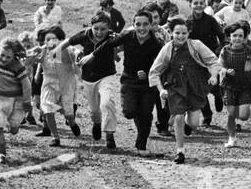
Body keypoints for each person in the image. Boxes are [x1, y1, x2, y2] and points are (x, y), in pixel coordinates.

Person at [148, 17, 222, 164]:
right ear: (171, 33)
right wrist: (161, 90)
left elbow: (213, 61)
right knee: (178, 116)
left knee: (194, 123)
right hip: (175, 85)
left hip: (195, 85)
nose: (180, 36)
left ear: (189, 33)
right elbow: (154, 71)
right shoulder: (167, 49)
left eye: (184, 33)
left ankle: (185, 124)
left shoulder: (196, 45)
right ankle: (180, 151)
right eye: (177, 33)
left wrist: (214, 75)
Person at [56, 11, 122, 149]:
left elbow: (124, 45)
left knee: (107, 102)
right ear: (91, 27)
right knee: (94, 111)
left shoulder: (112, 37)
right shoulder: (85, 35)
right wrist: (55, 53)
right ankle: (97, 123)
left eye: (103, 29)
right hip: (88, 78)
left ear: (109, 28)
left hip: (106, 75)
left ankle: (109, 134)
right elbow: (67, 42)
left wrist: (117, 51)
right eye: (96, 28)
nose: (99, 32)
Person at [116, 11, 167, 151]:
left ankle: (141, 145)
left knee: (145, 114)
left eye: (145, 24)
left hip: (148, 85)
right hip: (129, 81)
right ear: (133, 25)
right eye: (138, 24)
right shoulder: (127, 36)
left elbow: (161, 66)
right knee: (130, 112)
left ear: (151, 25)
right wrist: (91, 55)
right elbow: (108, 44)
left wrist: (148, 72)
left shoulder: (156, 44)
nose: (142, 28)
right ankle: (139, 124)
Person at [218, 21, 251, 147]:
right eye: (234, 35)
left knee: (244, 116)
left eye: (240, 36)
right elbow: (219, 66)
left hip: (246, 86)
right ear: (229, 36)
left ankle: (242, 109)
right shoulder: (225, 50)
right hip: (229, 85)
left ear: (245, 37)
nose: (237, 38)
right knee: (231, 114)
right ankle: (232, 138)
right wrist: (225, 71)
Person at [0, 37, 32, 161]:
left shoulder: (18, 67)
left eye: (8, 57)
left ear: (14, 56)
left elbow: (26, 85)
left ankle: (14, 126)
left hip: (16, 100)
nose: (4, 59)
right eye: (2, 55)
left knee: (14, 129)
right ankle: (2, 154)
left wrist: (27, 101)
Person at [36, 26, 80, 146]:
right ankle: (56, 137)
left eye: (54, 39)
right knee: (47, 109)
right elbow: (32, 59)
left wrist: (79, 56)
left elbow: (76, 53)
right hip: (49, 84)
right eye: (47, 39)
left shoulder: (68, 49)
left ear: (60, 39)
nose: (51, 42)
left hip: (66, 84)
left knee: (68, 113)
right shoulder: (43, 50)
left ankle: (71, 121)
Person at [186, 0, 226, 126]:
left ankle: (218, 94)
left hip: (211, 57)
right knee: (199, 88)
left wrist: (220, 50)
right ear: (190, 5)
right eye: (195, 3)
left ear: (205, 5)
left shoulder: (210, 20)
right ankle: (207, 116)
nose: (198, 5)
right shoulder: (188, 21)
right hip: (195, 59)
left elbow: (222, 36)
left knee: (212, 84)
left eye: (201, 3)